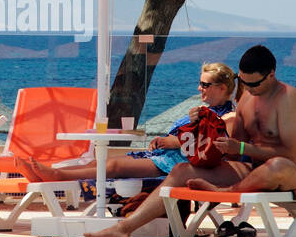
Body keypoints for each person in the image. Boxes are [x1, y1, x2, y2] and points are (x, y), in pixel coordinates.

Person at [86, 45, 296, 237]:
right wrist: (201, 125)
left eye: (254, 83)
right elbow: (236, 146)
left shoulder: (288, 99)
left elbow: (289, 153)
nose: (248, 88)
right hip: (251, 169)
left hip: (292, 173)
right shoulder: (246, 99)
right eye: (243, 82)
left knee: (276, 165)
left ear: (271, 75)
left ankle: (225, 192)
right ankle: (122, 230)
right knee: (181, 170)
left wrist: (241, 149)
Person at [23, 62, 239, 183]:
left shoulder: (227, 117)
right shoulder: (204, 111)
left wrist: (172, 142)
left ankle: (56, 176)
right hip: (164, 156)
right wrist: (164, 140)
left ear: (222, 88)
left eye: (205, 84)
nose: (200, 88)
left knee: (113, 166)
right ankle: (47, 175)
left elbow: (210, 148)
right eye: (200, 83)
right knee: (96, 164)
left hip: (176, 164)